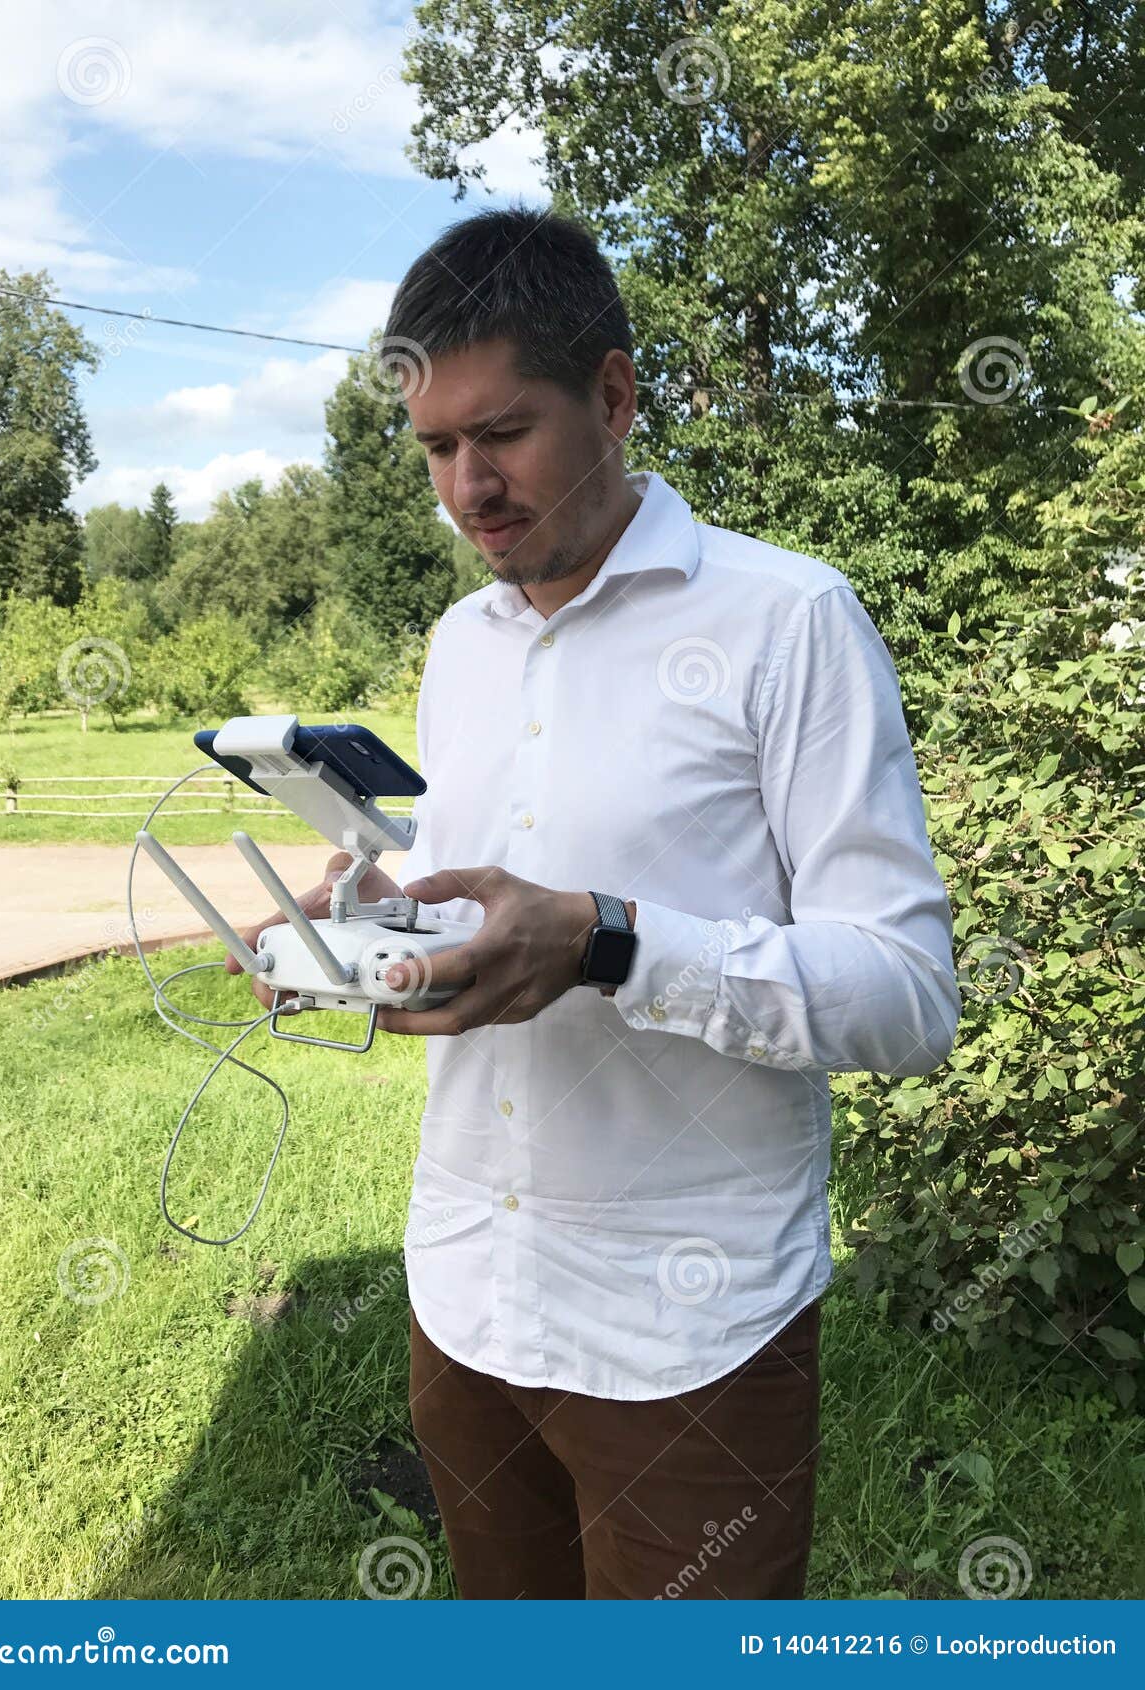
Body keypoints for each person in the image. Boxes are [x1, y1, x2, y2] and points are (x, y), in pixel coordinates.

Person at [228, 202, 961, 1600]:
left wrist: (611, 942)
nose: (467, 485)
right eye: (437, 446)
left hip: (687, 1332)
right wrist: (365, 919)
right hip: (464, 1297)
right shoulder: (461, 644)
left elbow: (911, 993)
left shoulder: (788, 622)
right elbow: (468, 877)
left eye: (502, 433)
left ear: (615, 397)